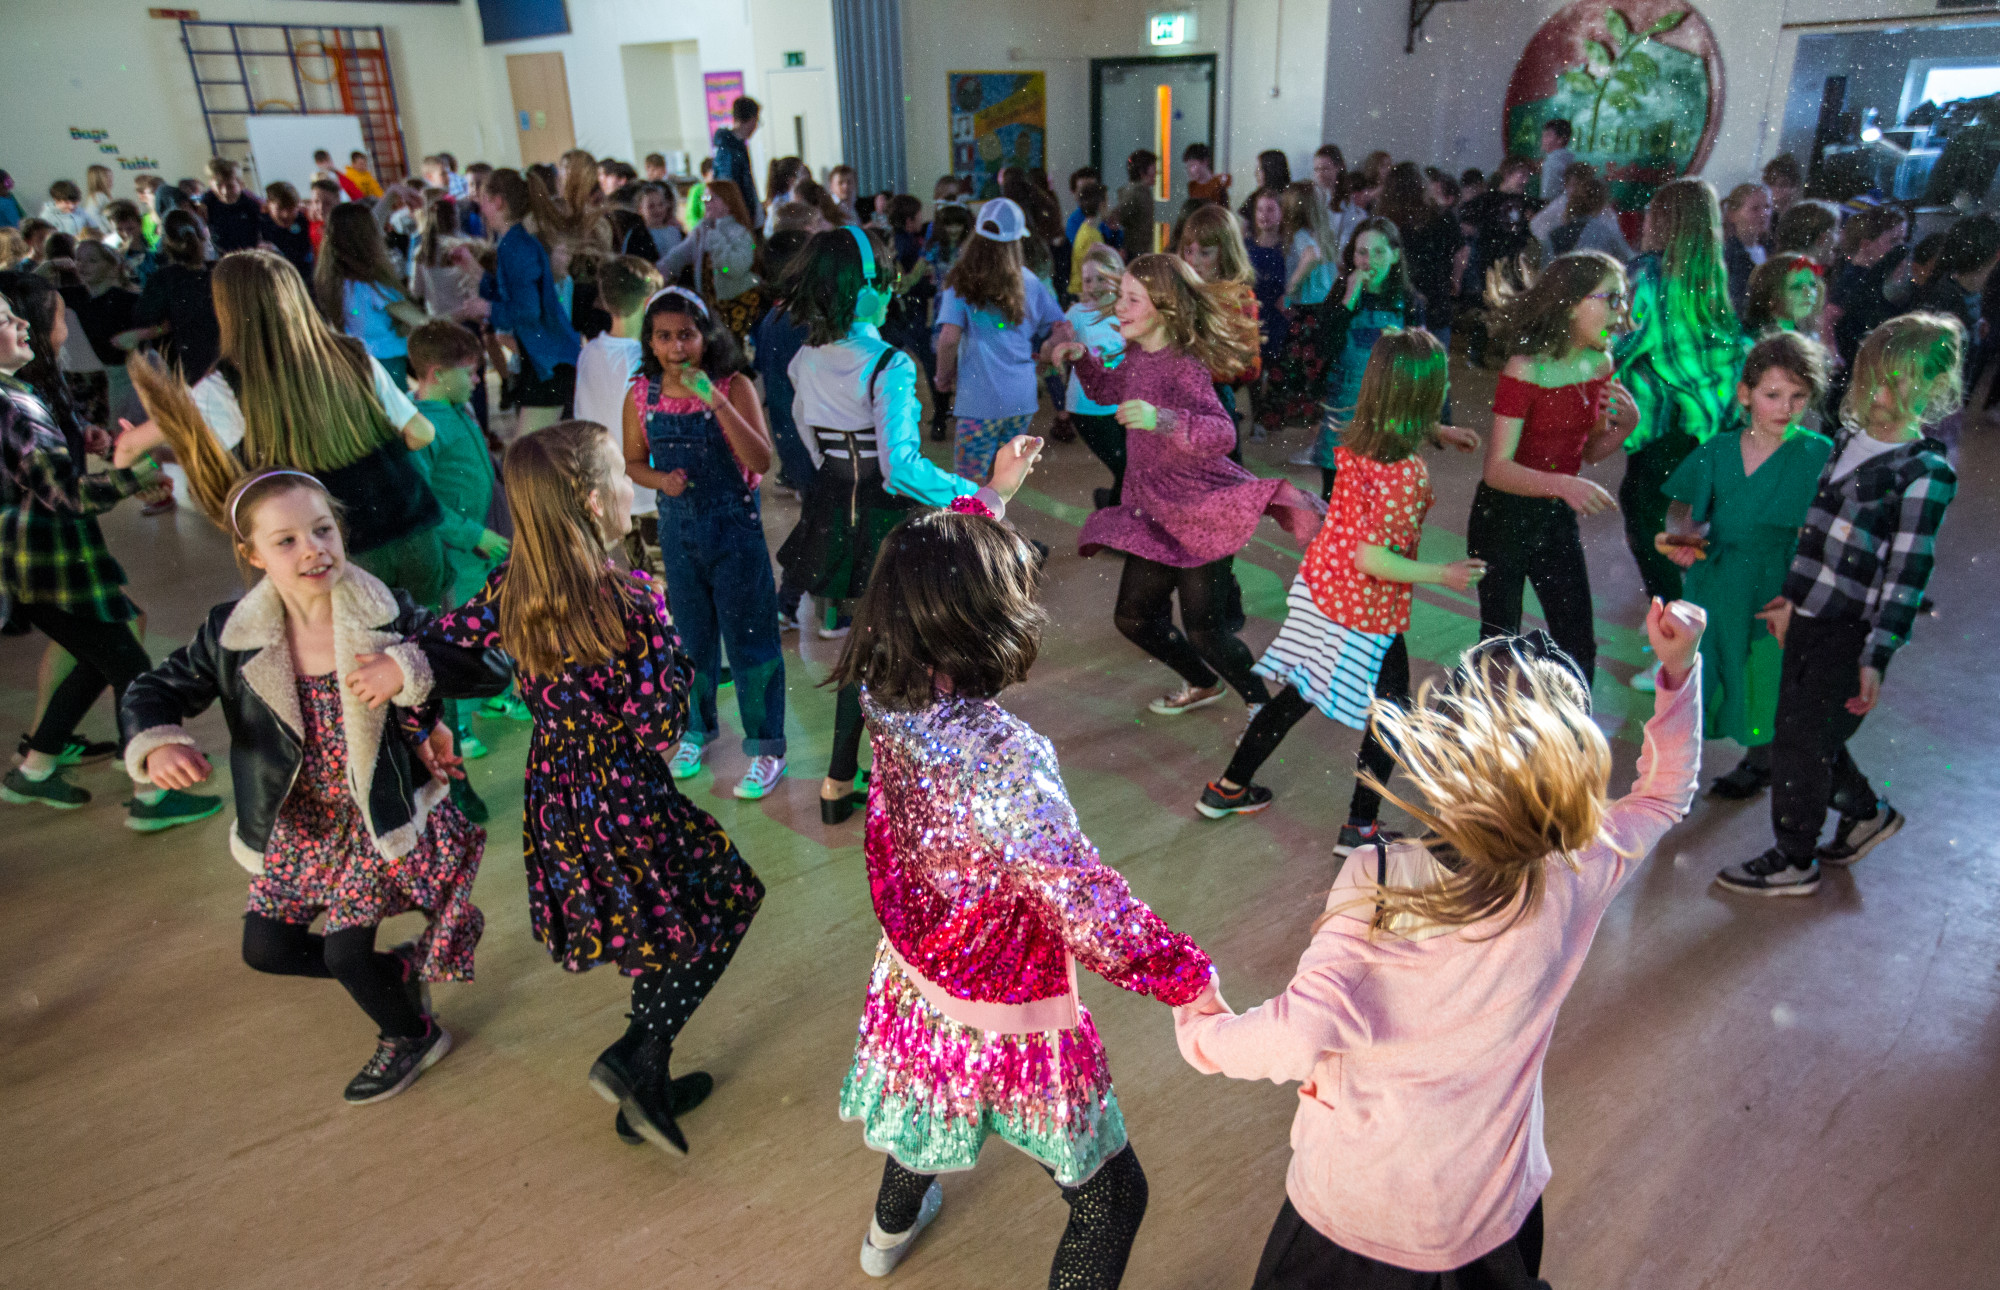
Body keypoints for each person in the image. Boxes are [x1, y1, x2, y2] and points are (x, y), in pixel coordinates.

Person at [1175, 602, 1707, 1290]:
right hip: (1491, 1215)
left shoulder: (1381, 876)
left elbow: (1298, 1031)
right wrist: (1679, 669)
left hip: (1356, 1223)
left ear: (1441, 756)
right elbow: (1664, 796)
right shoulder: (1578, 868)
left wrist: (1201, 1024)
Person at [830, 504, 1211, 1285]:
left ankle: (884, 1239)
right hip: (1011, 1008)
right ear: (983, 622)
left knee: (925, 1105)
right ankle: (889, 1230)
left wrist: (988, 500)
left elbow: (929, 561)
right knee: (1112, 1200)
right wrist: (1188, 977)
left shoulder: (880, 682)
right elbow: (1084, 905)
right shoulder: (1006, 755)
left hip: (916, 971)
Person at [366, 419, 765, 1152]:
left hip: (559, 795)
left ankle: (646, 1073)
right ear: (588, 499)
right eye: (620, 475)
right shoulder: (632, 602)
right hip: (624, 797)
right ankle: (636, 1056)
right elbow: (659, 723)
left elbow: (446, 641)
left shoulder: (514, 587)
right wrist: (678, 654)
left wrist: (409, 687)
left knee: (661, 925)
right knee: (728, 899)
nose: (628, 487)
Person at [121, 468, 497, 1102]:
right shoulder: (229, 635)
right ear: (252, 553)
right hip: (300, 823)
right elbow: (152, 689)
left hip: (370, 819)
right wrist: (157, 739)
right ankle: (401, 969)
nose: (313, 550)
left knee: (346, 955)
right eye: (286, 540)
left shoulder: (387, 611)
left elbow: (485, 665)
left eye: (322, 530)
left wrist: (407, 666)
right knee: (266, 949)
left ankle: (412, 1033)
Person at [772, 227, 1042, 823]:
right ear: (861, 290)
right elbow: (902, 468)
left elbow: (811, 446)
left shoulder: (802, 359)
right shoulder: (888, 363)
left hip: (833, 514)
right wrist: (984, 496)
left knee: (863, 651)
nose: (890, 289)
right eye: (882, 280)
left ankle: (840, 781)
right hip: (883, 520)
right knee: (905, 654)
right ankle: (903, 784)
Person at [1197, 329, 1483, 844]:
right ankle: (1359, 827)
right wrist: (1444, 574)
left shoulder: (1358, 432)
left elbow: (1395, 430)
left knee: (1302, 690)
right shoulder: (1405, 474)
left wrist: (1440, 432)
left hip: (1324, 589)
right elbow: (1374, 558)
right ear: (1425, 392)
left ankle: (1228, 787)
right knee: (1392, 713)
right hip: (1365, 609)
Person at [1715, 315, 1961, 896]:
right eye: (1874, 379)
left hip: (1850, 632)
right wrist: (1789, 602)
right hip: (1807, 615)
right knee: (1807, 730)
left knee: (1800, 741)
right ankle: (1868, 813)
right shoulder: (1847, 442)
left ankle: (1794, 857)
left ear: (1933, 390)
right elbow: (1816, 536)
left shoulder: (1924, 473)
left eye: (1901, 384)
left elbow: (1905, 577)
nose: (1882, 396)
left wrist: (1876, 656)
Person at [1049, 253, 1321, 716]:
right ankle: (1201, 682)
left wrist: (1162, 419)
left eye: (1134, 299)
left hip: (1200, 514)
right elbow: (1111, 390)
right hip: (1155, 514)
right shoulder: (1138, 354)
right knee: (1133, 619)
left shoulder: (1183, 367)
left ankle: (1261, 707)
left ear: (1166, 308)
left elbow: (1223, 433)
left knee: (1206, 633)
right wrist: (1083, 362)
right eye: (1121, 297)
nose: (1120, 307)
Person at [0, 275, 215, 828]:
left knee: (105, 657)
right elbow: (63, 495)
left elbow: (40, 470)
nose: (56, 327)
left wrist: (87, 441)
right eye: (52, 317)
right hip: (48, 560)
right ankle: (151, 793)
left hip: (47, 560)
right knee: (133, 667)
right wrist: (133, 476)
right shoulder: (18, 405)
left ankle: (37, 768)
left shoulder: (23, 390)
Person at [121, 250, 445, 607]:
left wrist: (149, 471)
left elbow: (129, 452)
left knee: (359, 656)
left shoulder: (222, 389)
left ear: (225, 308)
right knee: (429, 645)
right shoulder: (353, 354)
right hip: (414, 530)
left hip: (332, 554)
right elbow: (421, 433)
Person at [619, 287, 786, 800]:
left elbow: (760, 462)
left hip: (734, 531)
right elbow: (631, 462)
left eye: (686, 335)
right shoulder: (641, 395)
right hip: (678, 532)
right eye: (664, 336)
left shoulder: (733, 387)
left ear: (705, 336)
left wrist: (714, 401)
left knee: (750, 639)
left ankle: (767, 747)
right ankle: (695, 730)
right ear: (650, 341)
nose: (676, 347)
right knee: (690, 641)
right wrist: (659, 481)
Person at [1657, 332, 1833, 799]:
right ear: (1745, 394)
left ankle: (1760, 763)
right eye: (1773, 395)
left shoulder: (1818, 455)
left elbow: (1829, 530)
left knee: (1764, 675)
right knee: (1703, 669)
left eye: (1799, 397)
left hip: (1776, 586)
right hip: (1714, 580)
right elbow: (1681, 505)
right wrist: (1687, 532)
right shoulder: (1719, 449)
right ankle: (1677, 772)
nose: (1786, 408)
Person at [1468, 252, 1639, 685]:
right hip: (1502, 515)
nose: (1621, 312)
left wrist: (1627, 426)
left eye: (1622, 299)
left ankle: (1575, 741)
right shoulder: (1526, 368)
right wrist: (1563, 484)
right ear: (1570, 303)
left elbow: (1592, 451)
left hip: (1553, 515)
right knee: (1499, 644)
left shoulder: (1601, 363)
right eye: (1611, 299)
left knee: (1577, 641)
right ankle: (1489, 741)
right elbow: (1497, 469)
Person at [1614, 177, 1746, 640]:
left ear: (1664, 220)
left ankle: (1676, 633)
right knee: (1680, 521)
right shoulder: (1711, 275)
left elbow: (1623, 339)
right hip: (1708, 420)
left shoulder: (1648, 273)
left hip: (1664, 422)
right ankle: (1689, 612)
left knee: (1642, 514)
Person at [406, 319, 508, 807]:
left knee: (490, 625)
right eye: (468, 372)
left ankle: (492, 694)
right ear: (436, 371)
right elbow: (424, 502)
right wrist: (473, 535)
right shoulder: (423, 427)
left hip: (483, 548)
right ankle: (461, 726)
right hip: (460, 554)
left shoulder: (455, 409)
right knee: (463, 638)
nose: (475, 381)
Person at [936, 198, 1064, 485]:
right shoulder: (1029, 281)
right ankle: (998, 527)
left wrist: (943, 377)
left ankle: (976, 529)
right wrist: (1049, 351)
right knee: (1006, 479)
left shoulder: (961, 281)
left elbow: (948, 338)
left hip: (979, 402)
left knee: (969, 483)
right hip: (1021, 399)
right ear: (1017, 241)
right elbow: (1061, 326)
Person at [1303, 219, 1426, 499]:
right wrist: (1349, 299)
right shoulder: (1341, 293)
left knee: (1379, 490)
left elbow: (1423, 362)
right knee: (1335, 492)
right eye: (1362, 252)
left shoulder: (1409, 301)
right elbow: (1323, 346)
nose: (1369, 261)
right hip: (1344, 406)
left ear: (1395, 255)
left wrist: (1404, 345)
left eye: (1379, 252)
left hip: (1389, 408)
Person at [479, 168, 582, 432]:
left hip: (548, 361)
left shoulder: (514, 245)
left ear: (498, 201)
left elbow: (528, 311)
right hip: (547, 359)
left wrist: (487, 308)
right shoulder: (516, 242)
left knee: (529, 451)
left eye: (483, 199)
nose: (480, 207)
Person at [577, 254, 662, 555]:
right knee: (665, 582)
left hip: (615, 492)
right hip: (651, 492)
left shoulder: (588, 354)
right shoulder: (644, 360)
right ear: (648, 303)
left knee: (641, 579)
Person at [316, 204, 427, 390]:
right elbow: (421, 321)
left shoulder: (335, 282)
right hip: (387, 363)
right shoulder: (374, 287)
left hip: (354, 361)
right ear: (367, 239)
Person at [1065, 243, 1130, 509]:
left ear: (1117, 276)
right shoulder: (1077, 315)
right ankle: (1111, 522)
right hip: (1087, 409)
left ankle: (1109, 504)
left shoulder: (1129, 311)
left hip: (1122, 404)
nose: (1093, 286)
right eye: (1088, 280)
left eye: (1101, 278)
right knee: (1126, 468)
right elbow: (1057, 342)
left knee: (1133, 468)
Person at [658, 178, 761, 343]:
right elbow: (679, 255)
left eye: (711, 199)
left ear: (727, 202)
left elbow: (733, 268)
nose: (706, 203)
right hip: (711, 304)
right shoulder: (702, 229)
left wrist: (716, 239)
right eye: (704, 199)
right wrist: (657, 273)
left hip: (736, 302)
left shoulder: (739, 233)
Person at [131, 209, 220, 380]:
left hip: (188, 368)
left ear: (165, 241)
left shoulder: (163, 280)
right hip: (226, 360)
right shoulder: (219, 271)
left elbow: (143, 318)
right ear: (203, 235)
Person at [1721, 183, 1773, 315]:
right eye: (1755, 209)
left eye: (1767, 207)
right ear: (1733, 215)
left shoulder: (1772, 251)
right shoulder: (1727, 254)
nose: (1764, 214)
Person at [200, 158, 263, 254]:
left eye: (230, 186)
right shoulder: (206, 205)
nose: (224, 192)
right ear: (211, 185)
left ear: (241, 185)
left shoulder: (253, 204)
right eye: (218, 186)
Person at [711, 95, 762, 212]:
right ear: (752, 119)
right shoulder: (729, 148)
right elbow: (728, 186)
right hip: (735, 212)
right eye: (757, 120)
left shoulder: (736, 145)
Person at [257, 182, 314, 279]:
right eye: (279, 209)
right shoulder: (262, 223)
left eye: (291, 209)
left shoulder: (304, 220)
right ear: (268, 205)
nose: (286, 215)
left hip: (305, 277)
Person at [1116, 150, 1159, 259]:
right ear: (1142, 171)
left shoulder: (1142, 191)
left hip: (1140, 251)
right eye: (1153, 168)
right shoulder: (1133, 193)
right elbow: (1120, 219)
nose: (1156, 172)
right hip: (1134, 252)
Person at [38, 180, 108, 240]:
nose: (71, 206)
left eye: (75, 202)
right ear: (56, 200)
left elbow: (95, 228)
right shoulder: (46, 217)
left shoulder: (80, 211)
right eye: (66, 203)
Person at [1538, 117, 1576, 203]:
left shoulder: (1551, 163)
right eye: (1543, 136)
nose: (1543, 140)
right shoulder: (1570, 160)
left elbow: (1547, 196)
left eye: (1548, 135)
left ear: (1560, 139)